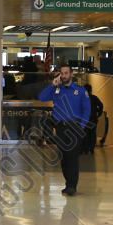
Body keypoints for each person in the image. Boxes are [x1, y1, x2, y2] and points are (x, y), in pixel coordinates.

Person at [38, 64, 90, 196]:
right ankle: (68, 183)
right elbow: (41, 97)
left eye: (66, 73)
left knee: (72, 157)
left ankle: (73, 185)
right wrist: (52, 84)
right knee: (64, 157)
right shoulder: (57, 89)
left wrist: (82, 126)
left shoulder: (80, 91)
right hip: (60, 127)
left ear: (71, 74)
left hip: (74, 127)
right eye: (62, 73)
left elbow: (86, 110)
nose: (64, 75)